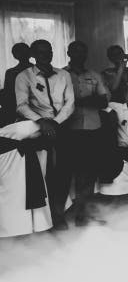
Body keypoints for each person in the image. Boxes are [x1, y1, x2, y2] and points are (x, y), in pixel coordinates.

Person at [15, 39, 75, 230]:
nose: (46, 55)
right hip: (37, 127)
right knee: (43, 171)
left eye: (48, 51)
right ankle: (45, 218)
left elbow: (70, 103)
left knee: (64, 170)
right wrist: (42, 122)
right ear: (33, 54)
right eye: (41, 52)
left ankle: (59, 212)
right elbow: (22, 105)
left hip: (61, 125)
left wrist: (55, 123)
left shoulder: (63, 74)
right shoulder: (24, 76)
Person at [63, 41, 110, 226]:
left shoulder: (94, 75)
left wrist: (78, 101)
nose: (79, 55)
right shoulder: (61, 74)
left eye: (83, 52)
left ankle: (84, 213)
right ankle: (64, 214)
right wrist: (90, 100)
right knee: (71, 173)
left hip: (93, 128)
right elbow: (62, 104)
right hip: (69, 130)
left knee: (89, 172)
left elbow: (104, 101)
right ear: (68, 53)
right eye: (75, 51)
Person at [0, 42, 32, 126]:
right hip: (15, 108)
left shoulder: (11, 72)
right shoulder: (11, 72)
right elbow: (8, 93)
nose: (22, 55)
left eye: (24, 52)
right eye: (20, 52)